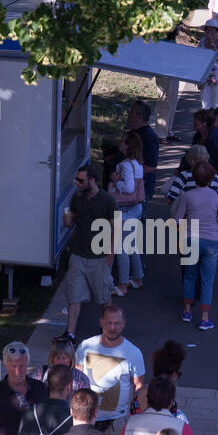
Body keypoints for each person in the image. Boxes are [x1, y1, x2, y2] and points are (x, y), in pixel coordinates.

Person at [54, 164, 115, 345]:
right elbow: (73, 220)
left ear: (92, 180)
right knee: (74, 296)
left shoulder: (107, 201)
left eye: (80, 180)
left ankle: (110, 328)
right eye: (76, 179)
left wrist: (110, 255)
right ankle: (70, 334)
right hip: (78, 255)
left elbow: (116, 228)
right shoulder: (77, 198)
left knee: (103, 298)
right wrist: (69, 221)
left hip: (99, 257)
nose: (77, 183)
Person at [172, 160, 218, 331]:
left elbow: (177, 219)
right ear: (211, 178)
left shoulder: (187, 195)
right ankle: (205, 318)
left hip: (191, 238)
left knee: (189, 276)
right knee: (207, 279)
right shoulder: (216, 196)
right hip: (211, 240)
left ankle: (187, 311)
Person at [76, 303, 146, 427]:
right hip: (86, 418)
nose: (113, 327)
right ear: (101, 322)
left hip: (117, 421)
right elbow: (77, 379)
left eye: (117, 323)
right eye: (109, 323)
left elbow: (138, 387)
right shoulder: (85, 346)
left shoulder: (134, 353)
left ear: (124, 323)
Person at [108, 130, 145, 295]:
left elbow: (129, 188)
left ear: (128, 146)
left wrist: (116, 182)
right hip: (135, 208)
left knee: (121, 246)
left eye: (123, 142)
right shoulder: (138, 164)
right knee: (131, 245)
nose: (120, 144)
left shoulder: (124, 165)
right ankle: (137, 278)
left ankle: (122, 284)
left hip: (124, 210)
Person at [125, 100, 160, 200]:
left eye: (131, 111)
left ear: (139, 116)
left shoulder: (148, 137)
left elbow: (150, 167)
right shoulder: (134, 132)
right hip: (127, 189)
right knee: (119, 215)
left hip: (139, 191)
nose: (128, 113)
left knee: (134, 216)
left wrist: (126, 177)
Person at [190, 107, 218, 192]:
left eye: (196, 120)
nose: (194, 122)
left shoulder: (215, 138)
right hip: (200, 174)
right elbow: (191, 154)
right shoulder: (197, 136)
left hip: (214, 176)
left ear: (204, 123)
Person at [200, 18, 218, 110]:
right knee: (206, 105)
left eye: (212, 29)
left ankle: (217, 123)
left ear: (216, 30)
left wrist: (212, 44)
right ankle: (207, 123)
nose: (210, 31)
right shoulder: (202, 42)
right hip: (205, 77)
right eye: (208, 29)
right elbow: (198, 58)